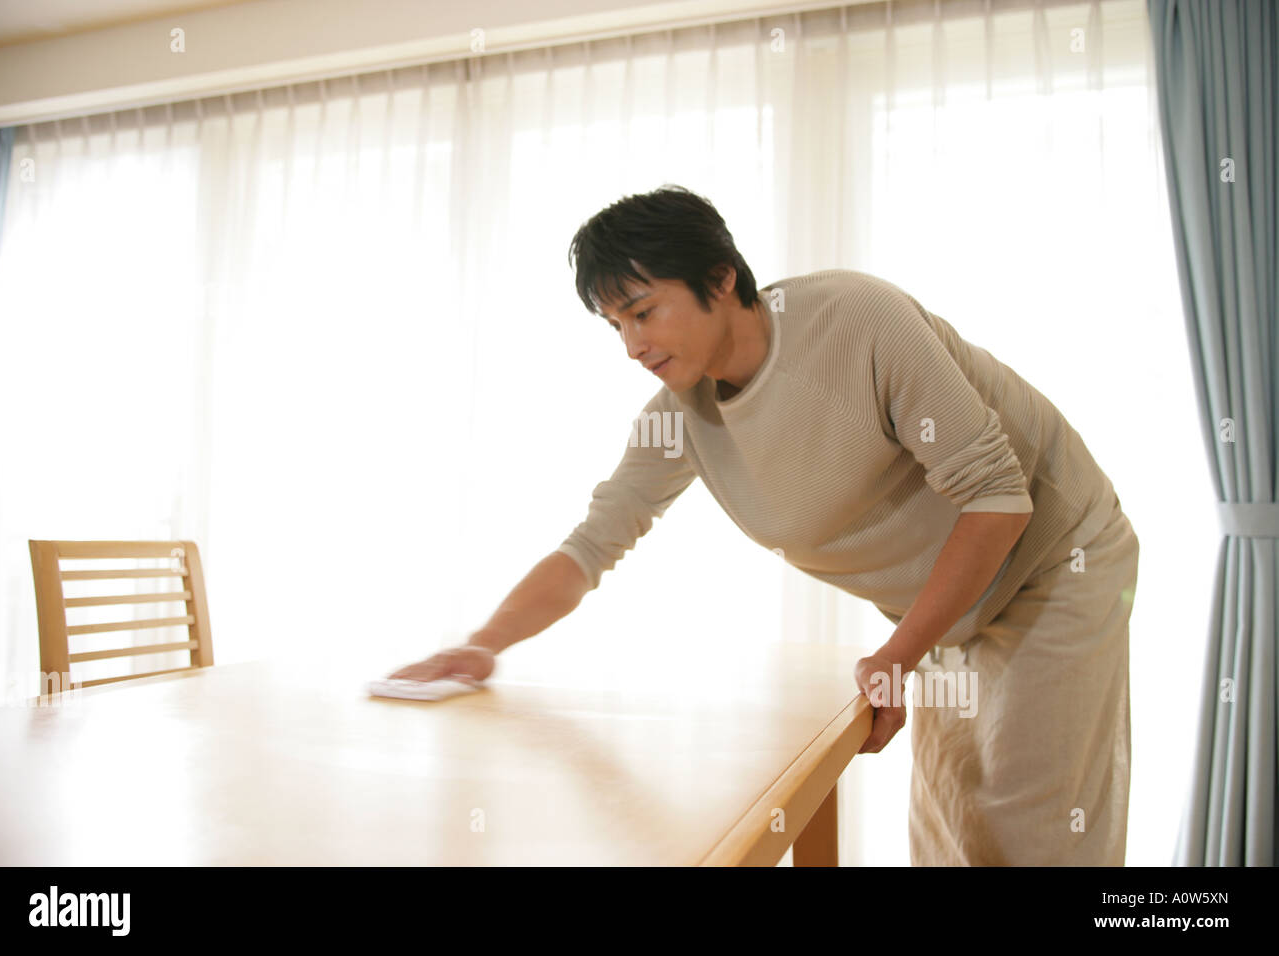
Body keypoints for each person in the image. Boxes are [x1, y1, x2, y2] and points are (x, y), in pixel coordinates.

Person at [388, 184, 1139, 866]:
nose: (633, 345)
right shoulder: (680, 417)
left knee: (1030, 831)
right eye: (616, 325)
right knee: (952, 831)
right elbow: (591, 546)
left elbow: (998, 497)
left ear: (721, 278)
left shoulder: (856, 321)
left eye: (644, 311)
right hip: (945, 603)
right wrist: (482, 644)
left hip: (1055, 557)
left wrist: (899, 655)